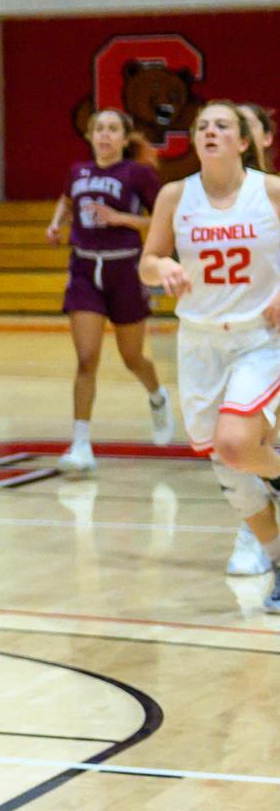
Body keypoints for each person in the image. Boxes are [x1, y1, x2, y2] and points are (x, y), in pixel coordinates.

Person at [139, 101, 280, 609]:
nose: (209, 132)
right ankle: (279, 559)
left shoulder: (270, 191)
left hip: (260, 340)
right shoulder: (176, 196)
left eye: (222, 125)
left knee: (238, 443)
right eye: (201, 127)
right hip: (199, 342)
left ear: (244, 141)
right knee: (231, 473)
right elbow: (147, 263)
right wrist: (163, 270)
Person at [41, 111, 175, 474]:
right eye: (99, 129)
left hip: (125, 270)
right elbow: (66, 201)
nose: (105, 135)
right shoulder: (78, 171)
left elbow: (161, 220)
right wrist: (56, 224)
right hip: (85, 269)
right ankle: (81, 444)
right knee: (86, 358)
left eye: (112, 129)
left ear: (124, 137)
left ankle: (157, 396)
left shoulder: (138, 174)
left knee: (132, 357)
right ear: (89, 134)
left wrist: (121, 219)